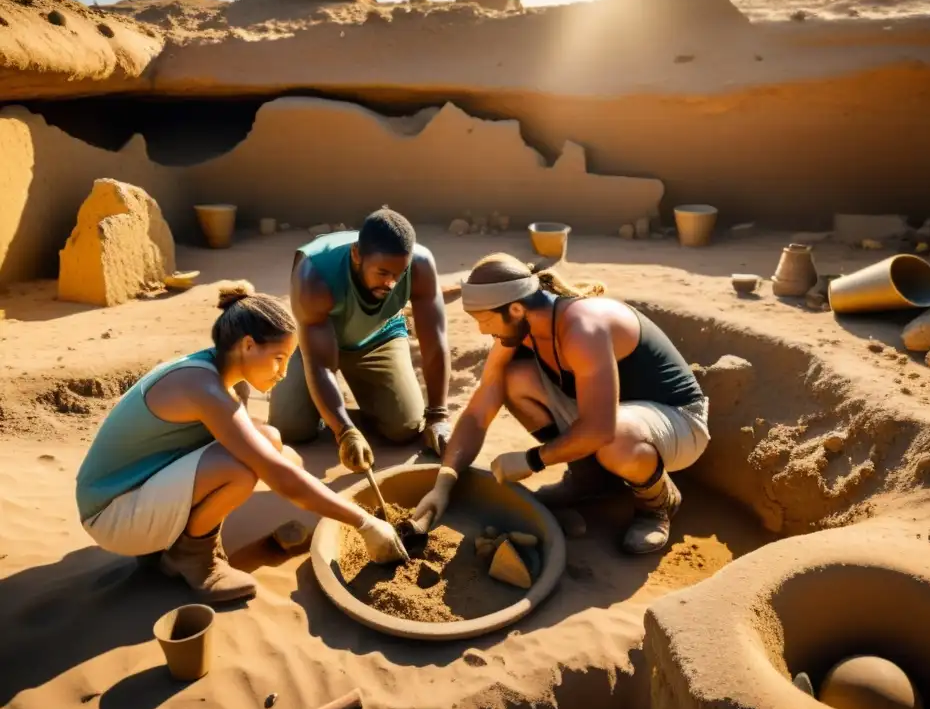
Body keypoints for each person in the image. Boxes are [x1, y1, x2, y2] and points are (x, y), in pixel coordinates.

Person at [75, 282, 409, 604]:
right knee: (240, 467)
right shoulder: (204, 389)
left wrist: (293, 465)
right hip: (111, 516)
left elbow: (269, 450)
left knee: (268, 439)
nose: (282, 373)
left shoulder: (221, 375)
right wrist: (364, 523)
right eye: (279, 358)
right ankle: (192, 559)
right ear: (248, 345)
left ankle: (171, 541)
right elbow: (270, 469)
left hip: (136, 490)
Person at [410, 254, 711, 554]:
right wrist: (444, 483)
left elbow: (601, 428)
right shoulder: (522, 329)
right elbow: (478, 411)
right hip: (620, 417)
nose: (483, 331)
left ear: (515, 308)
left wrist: (533, 459)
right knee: (514, 380)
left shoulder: (583, 328)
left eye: (485, 320)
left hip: (680, 422)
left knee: (615, 435)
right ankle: (590, 480)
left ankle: (656, 505)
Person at [268, 207, 452, 475]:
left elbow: (435, 343)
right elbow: (320, 365)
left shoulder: (421, 265)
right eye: (382, 273)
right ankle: (330, 414)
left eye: (399, 274)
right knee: (290, 428)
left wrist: (437, 415)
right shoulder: (315, 273)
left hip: (379, 336)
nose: (391, 284)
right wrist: (344, 432)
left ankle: (345, 410)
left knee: (403, 429)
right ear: (356, 255)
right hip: (315, 343)